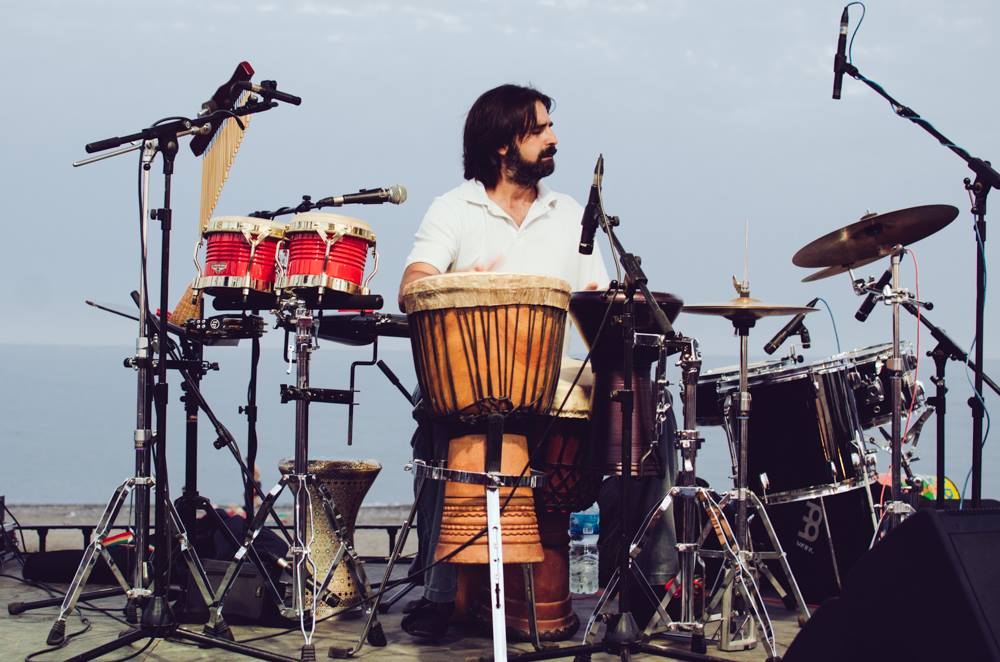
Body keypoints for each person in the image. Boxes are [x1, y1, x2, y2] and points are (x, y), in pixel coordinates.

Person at [397, 83, 674, 639]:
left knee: (649, 407)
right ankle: (439, 591)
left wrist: (620, 309)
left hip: (554, 382)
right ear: (504, 145)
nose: (554, 138)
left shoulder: (569, 213)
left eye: (550, 126)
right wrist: (459, 285)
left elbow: (592, 302)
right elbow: (412, 286)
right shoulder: (456, 209)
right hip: (475, 386)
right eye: (540, 128)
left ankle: (642, 582)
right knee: (434, 411)